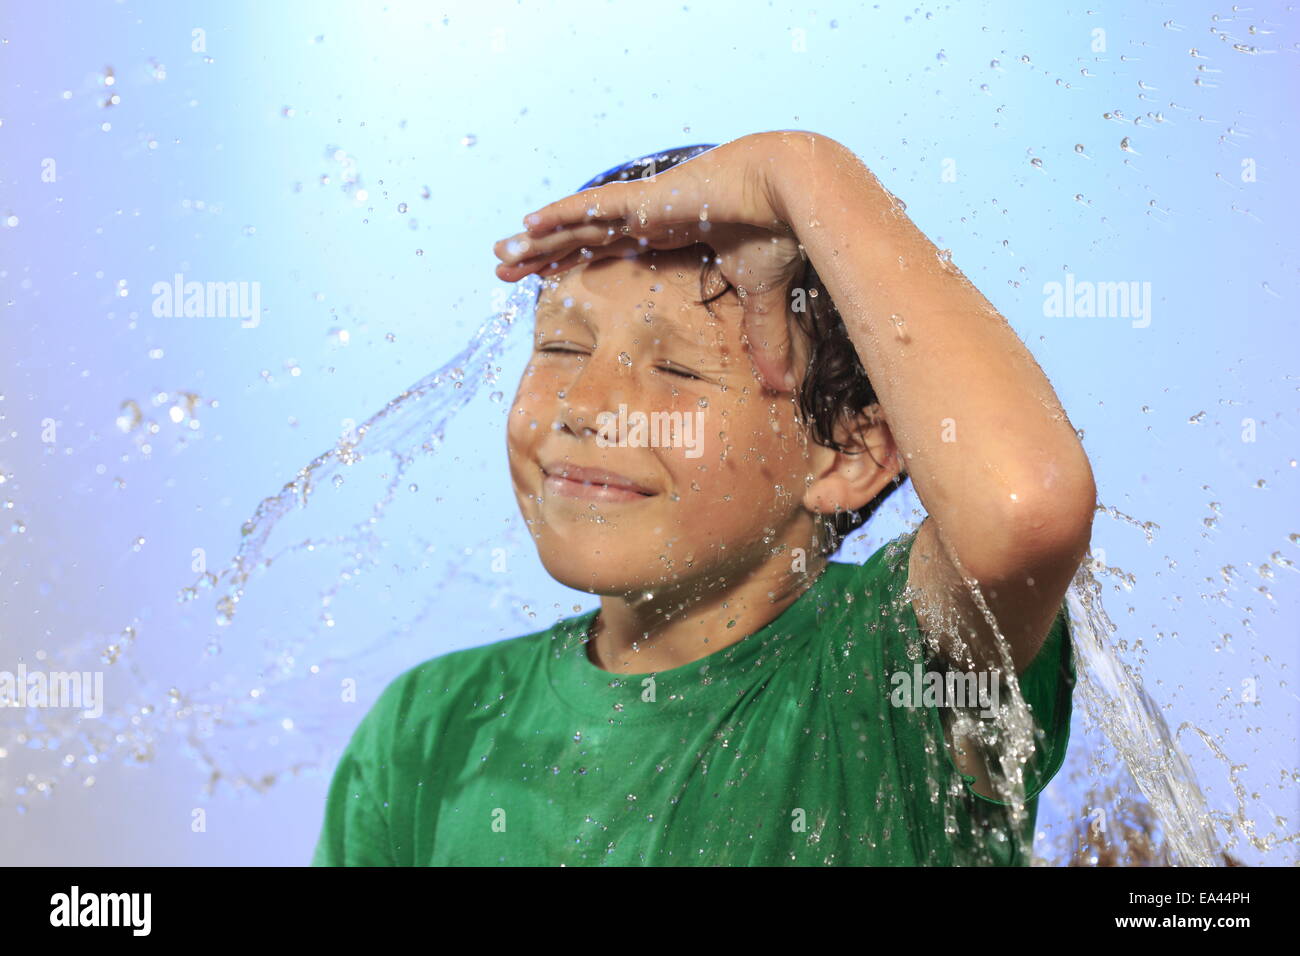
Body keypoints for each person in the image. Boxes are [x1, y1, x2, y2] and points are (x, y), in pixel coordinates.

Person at [312, 131, 1093, 866]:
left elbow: (1024, 509)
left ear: (851, 452)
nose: (586, 404)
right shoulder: (429, 731)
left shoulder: (889, 675)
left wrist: (796, 171)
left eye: (678, 373)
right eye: (559, 347)